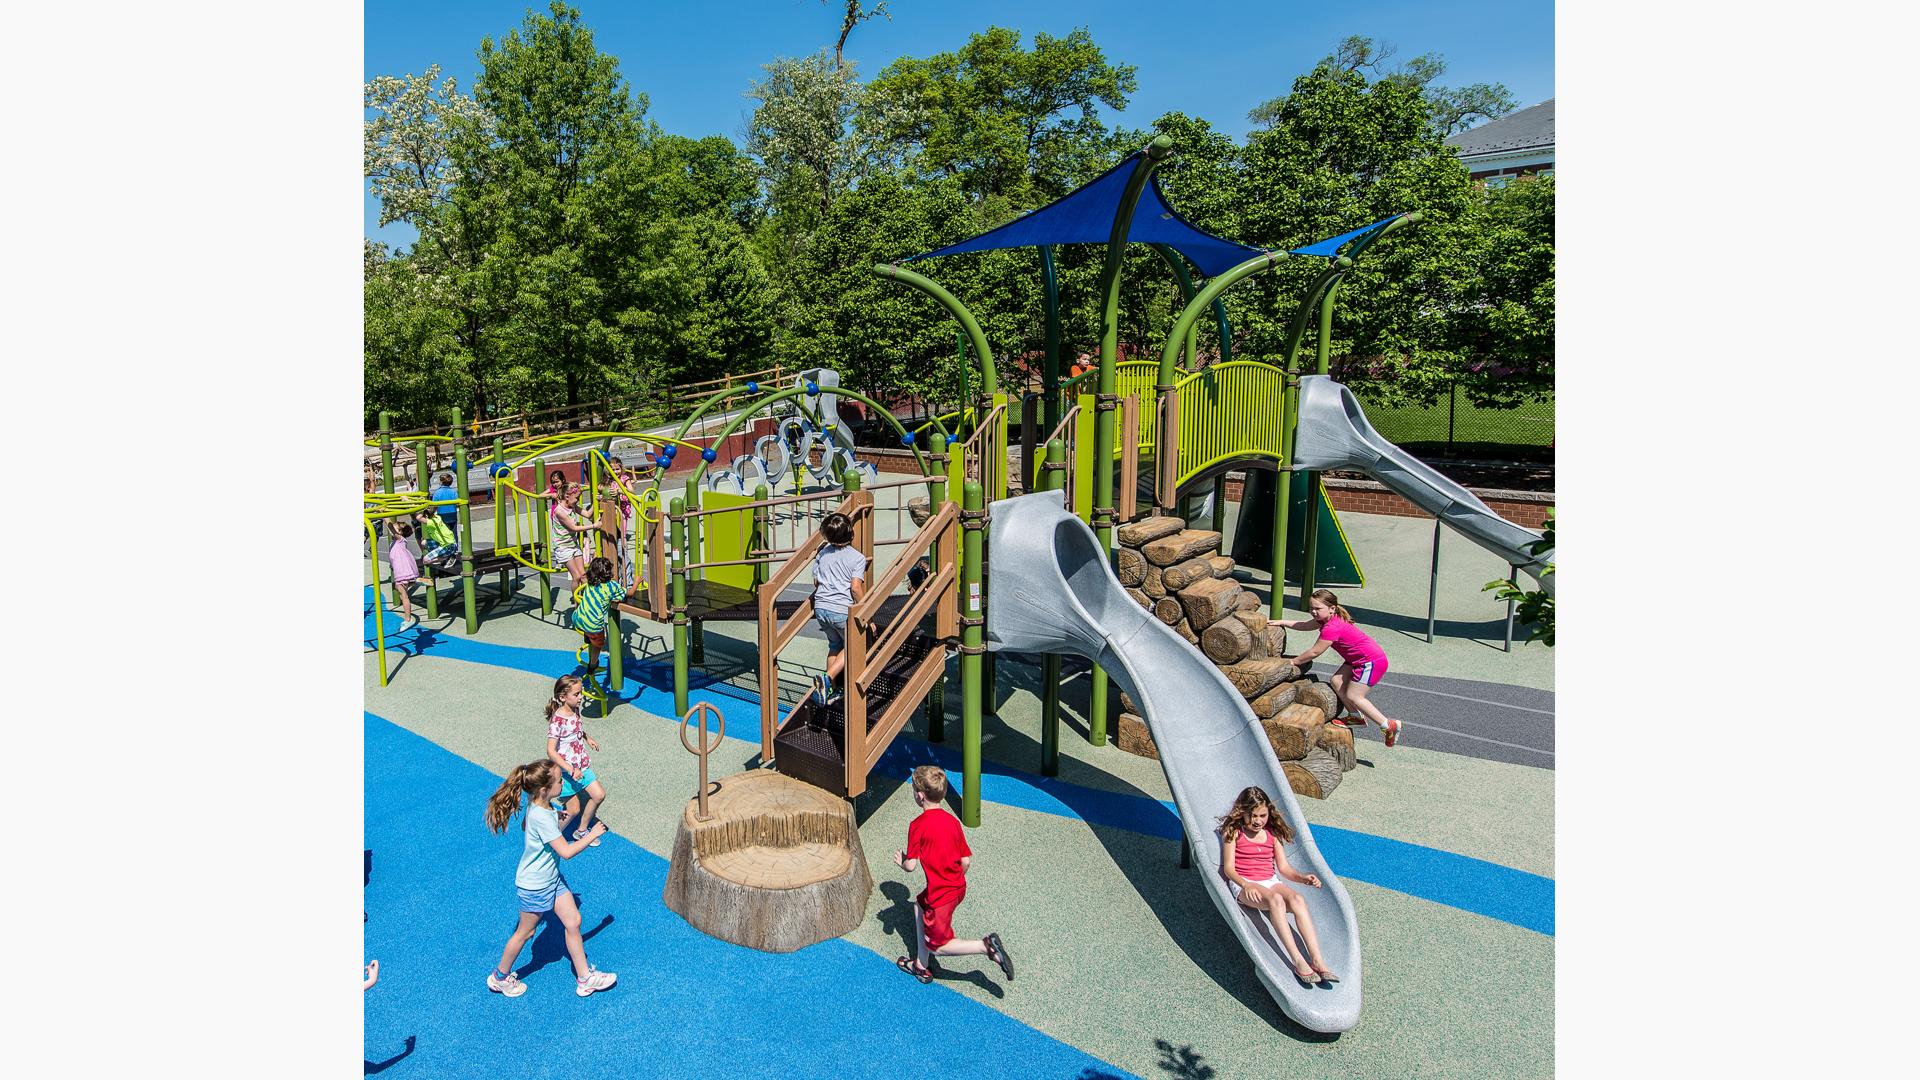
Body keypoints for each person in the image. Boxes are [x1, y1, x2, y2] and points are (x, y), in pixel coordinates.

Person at [483, 758, 617, 999]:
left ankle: (585, 979)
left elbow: (528, 826)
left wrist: (559, 818)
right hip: (536, 886)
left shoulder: (540, 806)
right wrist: (592, 834)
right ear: (545, 789)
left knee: (573, 920)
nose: (562, 783)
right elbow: (565, 852)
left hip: (551, 879)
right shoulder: (543, 816)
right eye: (558, 781)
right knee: (525, 933)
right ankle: (500, 977)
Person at [892, 765, 1014, 985]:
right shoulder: (952, 822)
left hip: (941, 895)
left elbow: (911, 866)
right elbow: (966, 861)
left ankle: (985, 946)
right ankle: (921, 965)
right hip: (957, 887)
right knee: (919, 906)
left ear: (920, 797)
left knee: (937, 946)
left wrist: (902, 861)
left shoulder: (918, 825)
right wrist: (953, 879)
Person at [1218, 785, 1339, 987]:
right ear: (1242, 812)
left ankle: (1317, 959)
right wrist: (1245, 884)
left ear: (1268, 813)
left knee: (1298, 900)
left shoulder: (1272, 835)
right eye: (1253, 815)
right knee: (1275, 900)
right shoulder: (1233, 832)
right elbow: (1229, 868)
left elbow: (1283, 868)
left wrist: (1303, 878)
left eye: (1262, 815)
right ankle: (1297, 959)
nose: (1257, 820)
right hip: (1246, 884)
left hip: (1270, 881)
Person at [1267, 589, 1403, 747]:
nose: (1313, 612)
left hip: (1371, 662)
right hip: (1357, 660)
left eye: (1318, 609)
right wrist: (1282, 622)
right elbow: (1303, 625)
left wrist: (1294, 661)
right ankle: (1355, 717)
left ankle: (1388, 725)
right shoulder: (1324, 620)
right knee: (1337, 681)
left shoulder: (1332, 627)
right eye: (1311, 608)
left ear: (1332, 608)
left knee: (1355, 696)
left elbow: (1315, 651)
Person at [808, 511, 867, 705]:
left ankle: (830, 689)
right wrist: (865, 609)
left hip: (821, 607)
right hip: (841, 609)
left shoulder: (823, 553)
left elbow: (817, 582)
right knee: (852, 647)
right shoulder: (857, 558)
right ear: (851, 533)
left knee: (834, 646)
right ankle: (826, 678)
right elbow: (855, 587)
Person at [545, 676, 608, 847]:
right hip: (566, 772)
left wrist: (588, 738)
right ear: (563, 697)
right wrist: (569, 768)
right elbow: (551, 750)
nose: (581, 697)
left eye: (581, 693)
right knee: (573, 809)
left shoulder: (575, 709)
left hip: (582, 765)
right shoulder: (557, 721)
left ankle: (581, 831)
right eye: (577, 694)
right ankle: (552, 836)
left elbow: (576, 729)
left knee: (599, 795)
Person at [572, 557, 628, 683]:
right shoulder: (612, 586)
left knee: (588, 624)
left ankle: (588, 636)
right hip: (592, 625)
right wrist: (636, 583)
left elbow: (583, 576)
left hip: (577, 618)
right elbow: (627, 594)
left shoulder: (590, 582)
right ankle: (592, 665)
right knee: (598, 645)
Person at [548, 484, 607, 592]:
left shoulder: (572, 506)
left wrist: (596, 501)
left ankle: (587, 598)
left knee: (584, 575)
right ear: (567, 496)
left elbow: (588, 514)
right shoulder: (559, 511)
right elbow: (574, 528)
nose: (578, 500)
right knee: (576, 577)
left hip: (573, 545)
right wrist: (594, 525)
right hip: (563, 547)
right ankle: (576, 603)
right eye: (577, 498)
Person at [388, 520, 419, 621]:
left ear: (400, 532)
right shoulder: (397, 541)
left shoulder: (400, 539)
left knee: (403, 595)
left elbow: (391, 528)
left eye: (395, 527)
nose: (392, 529)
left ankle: (407, 619)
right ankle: (415, 581)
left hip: (403, 572)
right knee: (401, 591)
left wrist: (384, 516)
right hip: (403, 571)